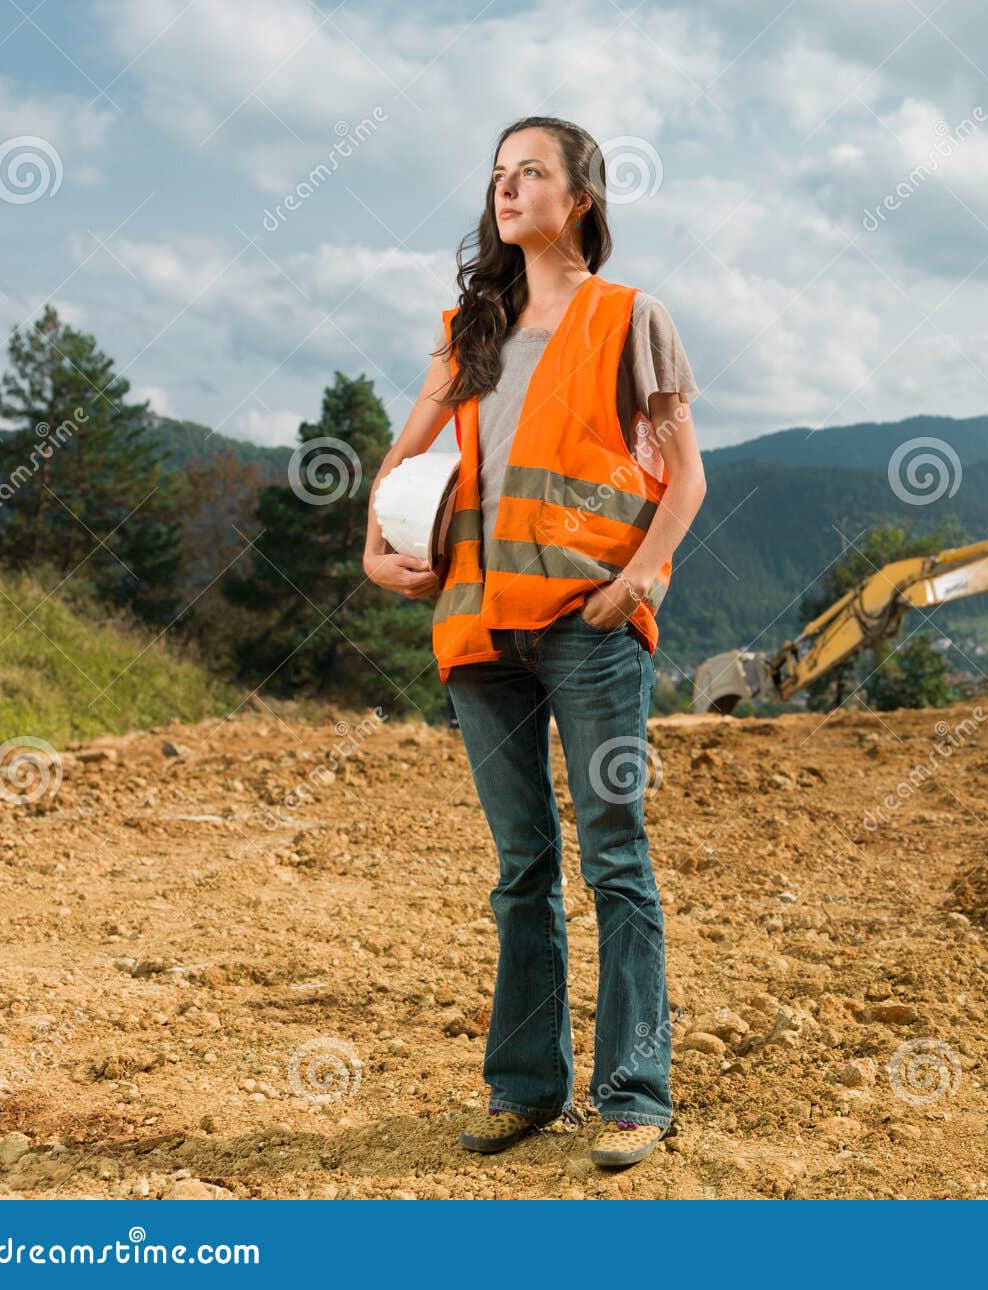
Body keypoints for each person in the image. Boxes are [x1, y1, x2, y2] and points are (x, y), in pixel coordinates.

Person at [363, 116, 707, 1170]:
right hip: (476, 632)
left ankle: (635, 1094)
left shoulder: (628, 317)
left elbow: (684, 476)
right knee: (522, 870)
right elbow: (401, 462)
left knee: (614, 861)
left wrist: (637, 581)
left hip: (587, 631)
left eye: (532, 172)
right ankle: (524, 1089)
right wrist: (375, 553)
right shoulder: (467, 326)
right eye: (498, 176)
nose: (507, 189)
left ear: (581, 200)